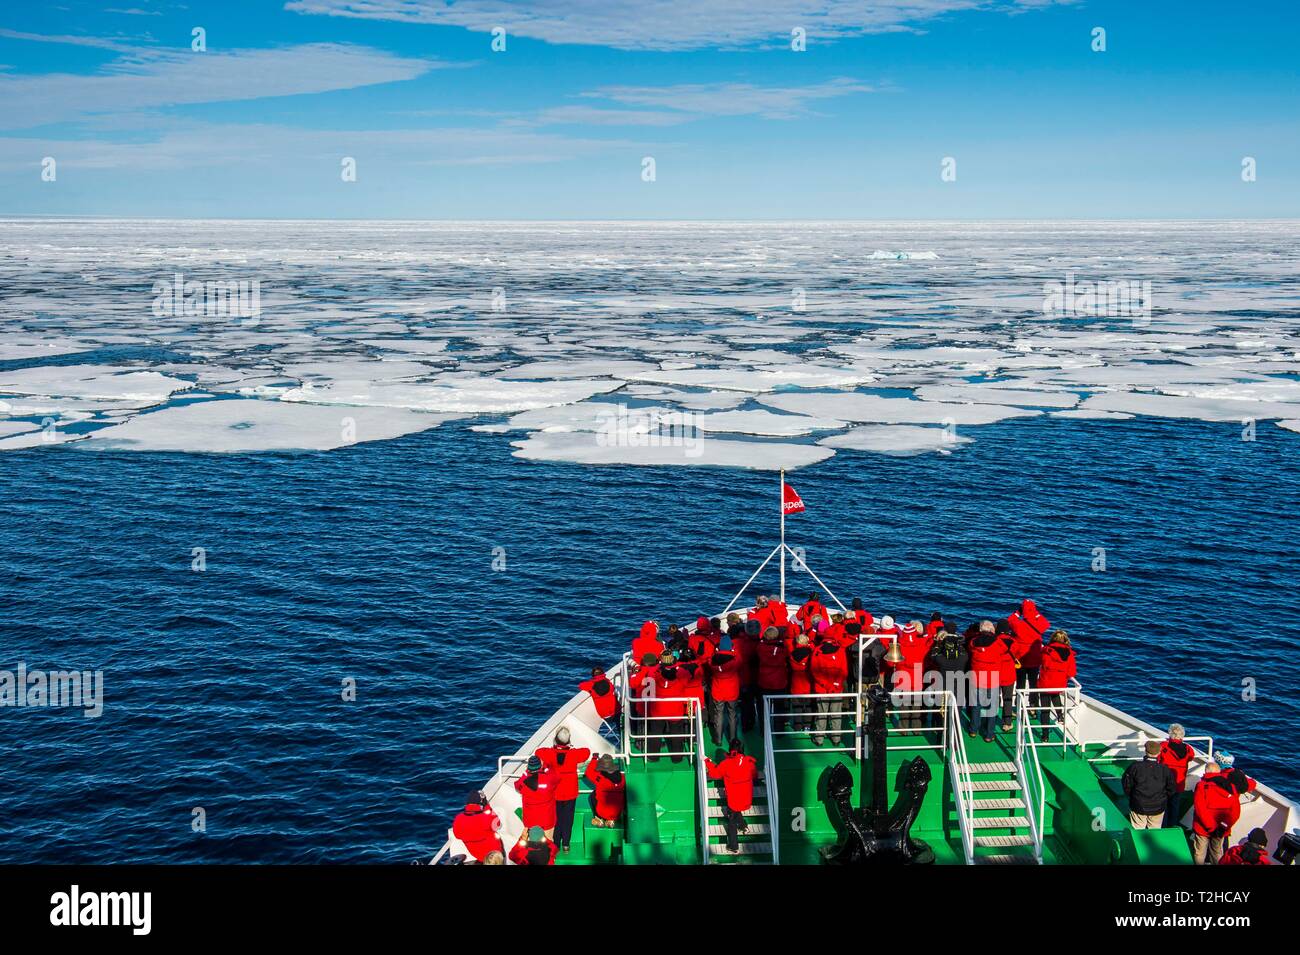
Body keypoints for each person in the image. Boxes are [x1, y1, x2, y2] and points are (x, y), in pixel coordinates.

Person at [1192, 757, 1257, 865]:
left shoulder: (1202, 786)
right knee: (1217, 852)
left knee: (1200, 852)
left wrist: (1211, 826)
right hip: (1221, 830)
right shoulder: (1232, 788)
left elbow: (1200, 808)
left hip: (1203, 827)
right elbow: (1234, 813)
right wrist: (1223, 826)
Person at [536, 726, 591, 854]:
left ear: (556, 740)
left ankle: (556, 844)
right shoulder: (574, 754)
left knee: (556, 819)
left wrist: (553, 748)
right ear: (568, 741)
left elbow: (538, 752)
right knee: (568, 819)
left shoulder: (549, 754)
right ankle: (566, 844)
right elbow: (587, 751)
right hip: (570, 792)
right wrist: (571, 748)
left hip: (554, 793)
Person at [705, 739, 759, 853]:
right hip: (746, 799)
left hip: (735, 800)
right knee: (735, 808)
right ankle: (744, 826)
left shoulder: (727, 764)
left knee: (731, 820)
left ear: (730, 749)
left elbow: (714, 773)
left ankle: (733, 847)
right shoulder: (749, 762)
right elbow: (755, 775)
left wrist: (707, 762)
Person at [968, 620, 1014, 742]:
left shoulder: (973, 642)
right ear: (992, 630)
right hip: (992, 679)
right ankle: (989, 734)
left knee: (976, 706)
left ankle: (973, 730)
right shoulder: (998, 643)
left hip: (977, 678)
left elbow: (971, 647)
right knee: (992, 707)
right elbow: (1004, 648)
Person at [1121, 740, 1177, 829]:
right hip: (1158, 807)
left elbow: (1126, 785)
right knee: (1155, 830)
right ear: (1159, 753)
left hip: (1138, 805)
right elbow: (1171, 789)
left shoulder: (1135, 767)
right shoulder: (1165, 769)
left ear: (1146, 751)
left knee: (1138, 830)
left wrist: (1133, 797)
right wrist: (1163, 799)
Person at [890, 620, 934, 730]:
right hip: (917, 680)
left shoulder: (898, 646)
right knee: (916, 706)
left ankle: (903, 729)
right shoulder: (922, 645)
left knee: (904, 706)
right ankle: (916, 729)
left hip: (902, 681)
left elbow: (890, 663)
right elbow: (928, 659)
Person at [647, 652, 690, 763]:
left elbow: (650, 675)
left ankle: (653, 757)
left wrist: (658, 665)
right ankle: (677, 758)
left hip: (658, 709)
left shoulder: (655, 674)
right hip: (675, 709)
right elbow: (687, 678)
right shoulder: (681, 674)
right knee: (676, 734)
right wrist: (675, 666)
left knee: (655, 733)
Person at [1036, 630, 1076, 742]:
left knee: (1045, 710)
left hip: (1045, 683)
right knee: (1055, 696)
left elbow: (1041, 662)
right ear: (1065, 640)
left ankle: (1045, 736)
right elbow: (1072, 672)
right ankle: (1060, 715)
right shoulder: (1069, 654)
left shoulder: (1046, 651)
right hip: (1059, 684)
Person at [810, 635, 848, 746]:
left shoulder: (817, 651)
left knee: (821, 713)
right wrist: (836, 684)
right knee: (836, 713)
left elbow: (814, 670)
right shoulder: (840, 651)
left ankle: (819, 739)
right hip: (836, 688)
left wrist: (825, 684)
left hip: (822, 688)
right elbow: (844, 670)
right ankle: (836, 739)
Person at [706, 635, 742, 746]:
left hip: (718, 691)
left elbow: (709, 659)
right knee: (732, 714)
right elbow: (739, 658)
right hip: (732, 691)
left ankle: (718, 739)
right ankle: (732, 738)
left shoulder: (712, 661)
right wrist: (732, 650)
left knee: (718, 715)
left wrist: (716, 652)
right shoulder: (735, 660)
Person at [514, 755, 559, 841]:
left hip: (531, 821)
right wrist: (546, 768)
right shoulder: (548, 779)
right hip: (547, 819)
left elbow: (517, 785)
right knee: (549, 843)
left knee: (534, 843)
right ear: (540, 766)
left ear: (529, 768)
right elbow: (557, 777)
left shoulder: (524, 783)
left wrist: (525, 773)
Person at [451, 790, 504, 862]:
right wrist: (487, 806)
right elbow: (497, 825)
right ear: (480, 804)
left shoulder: (458, 818)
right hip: (494, 855)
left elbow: (457, 835)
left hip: (477, 855)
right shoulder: (485, 817)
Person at [1158, 723, 1194, 827]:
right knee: (1174, 805)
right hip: (1179, 782)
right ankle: (1172, 825)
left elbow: (1159, 758)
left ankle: (1163, 826)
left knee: (1163, 805)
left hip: (1165, 782)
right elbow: (1191, 757)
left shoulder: (1164, 746)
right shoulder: (1188, 749)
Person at [756, 625, 790, 727]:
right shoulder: (783, 648)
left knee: (763, 708)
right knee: (779, 708)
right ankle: (779, 730)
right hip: (779, 682)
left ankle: (763, 729)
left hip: (764, 682)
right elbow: (786, 656)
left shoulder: (760, 647)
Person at [735, 618, 762, 733]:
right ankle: (762, 727)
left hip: (744, 679)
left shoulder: (738, 643)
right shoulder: (762, 644)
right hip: (760, 679)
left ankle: (747, 726)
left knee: (746, 704)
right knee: (761, 704)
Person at [584, 754, 626, 827]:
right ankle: (611, 820)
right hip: (617, 813)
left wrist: (594, 758)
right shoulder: (622, 778)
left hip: (602, 812)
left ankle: (598, 819)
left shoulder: (600, 779)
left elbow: (588, 772)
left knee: (593, 795)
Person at [788, 633, 815, 732]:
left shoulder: (792, 654)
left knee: (797, 708)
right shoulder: (811, 654)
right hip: (808, 684)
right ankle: (807, 727)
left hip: (796, 685)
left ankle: (797, 726)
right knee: (808, 707)